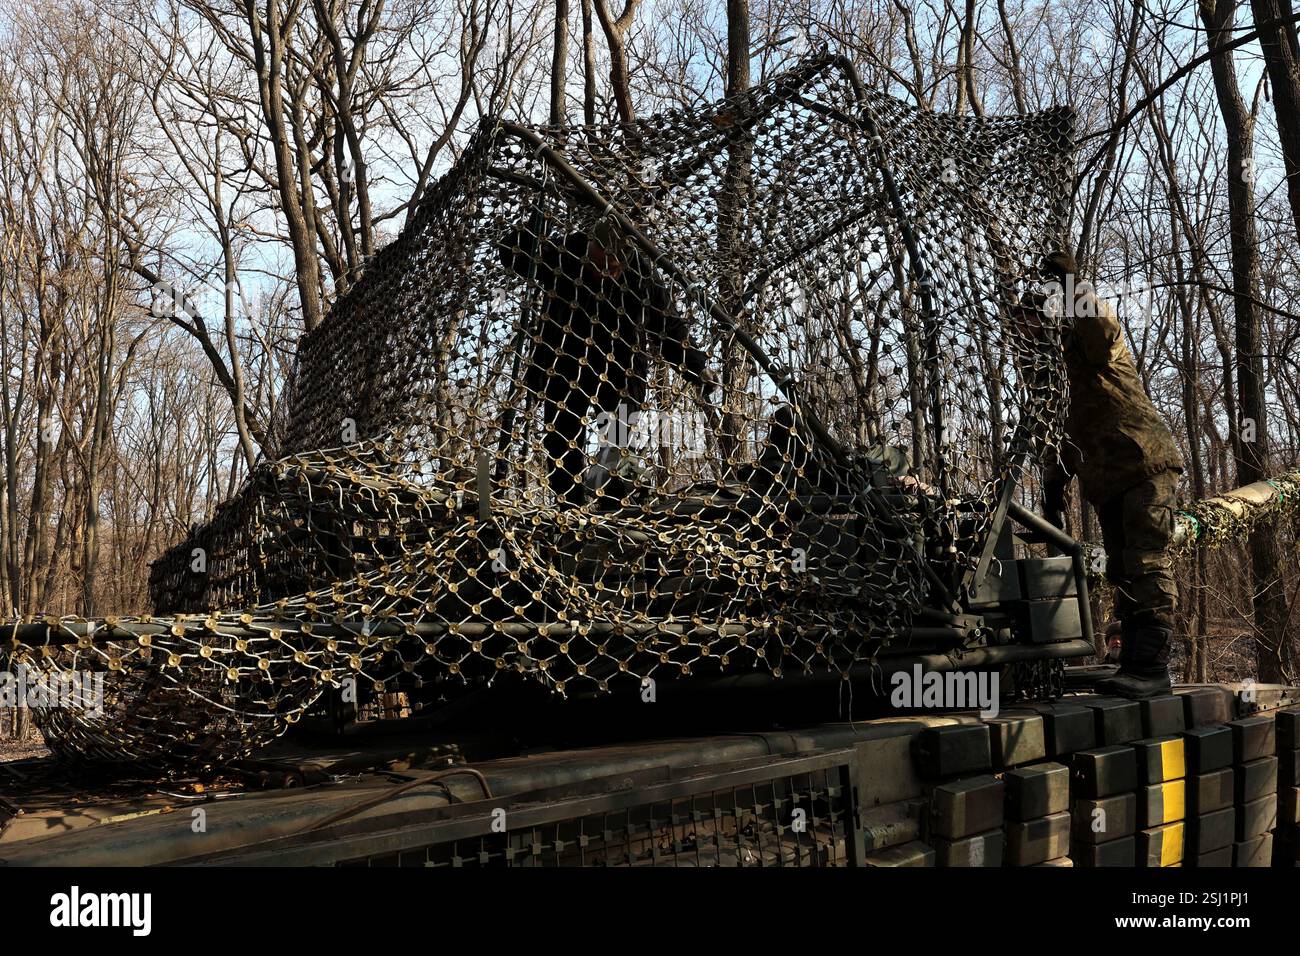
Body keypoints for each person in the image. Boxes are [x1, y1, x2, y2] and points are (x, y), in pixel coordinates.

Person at [1029, 251, 1184, 699]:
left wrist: (1072, 284)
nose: (1025, 332)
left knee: (1147, 561)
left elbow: (1102, 328)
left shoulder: (1092, 348)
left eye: (1031, 321)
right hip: (1107, 480)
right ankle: (1137, 664)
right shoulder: (1052, 377)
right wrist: (1053, 486)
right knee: (1122, 569)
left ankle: (1152, 667)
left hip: (1143, 464)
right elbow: (1058, 436)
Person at [499, 217, 715, 506]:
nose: (605, 269)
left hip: (621, 373)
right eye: (599, 261)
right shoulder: (564, 252)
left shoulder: (642, 274)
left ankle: (614, 508)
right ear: (590, 245)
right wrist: (530, 227)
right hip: (563, 365)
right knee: (561, 441)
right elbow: (515, 256)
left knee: (617, 442)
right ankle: (569, 508)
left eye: (613, 265)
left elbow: (669, 328)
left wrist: (696, 367)